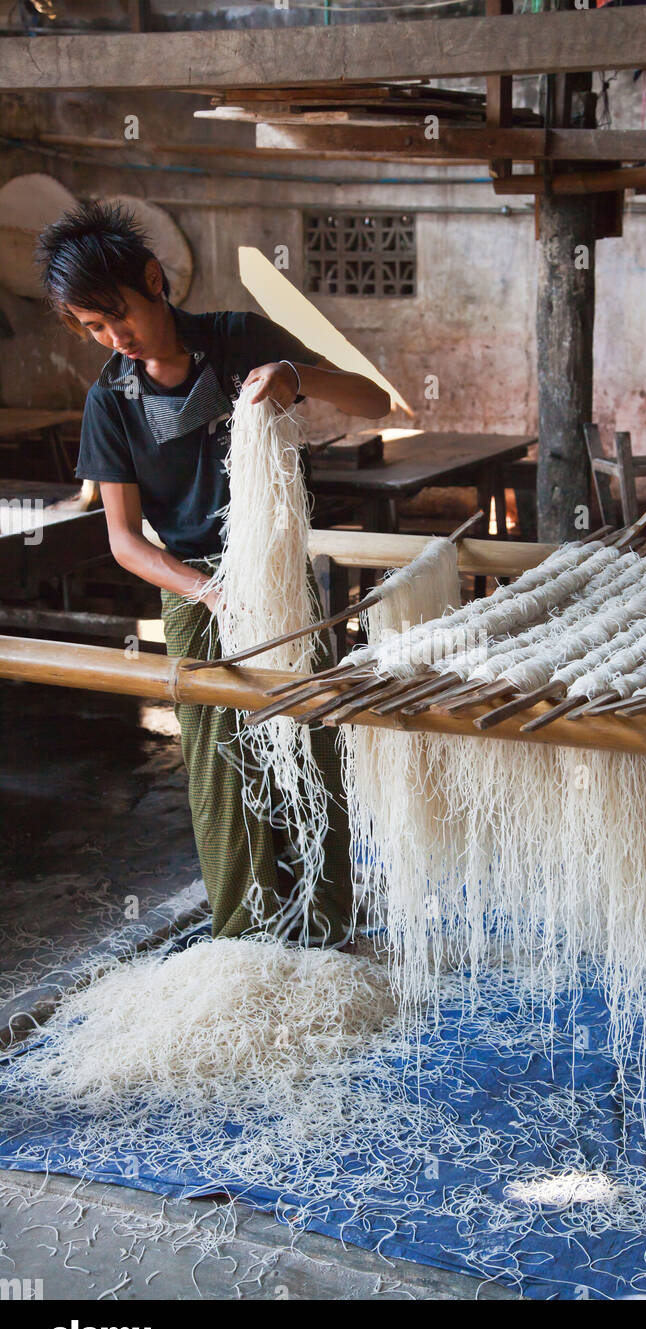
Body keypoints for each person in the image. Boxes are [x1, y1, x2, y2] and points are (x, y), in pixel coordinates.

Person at [36, 199, 390, 944]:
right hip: (198, 595)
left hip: (281, 582)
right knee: (224, 778)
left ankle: (330, 934)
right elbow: (126, 542)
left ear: (154, 280)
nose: (114, 339)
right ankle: (247, 945)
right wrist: (211, 592)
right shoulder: (112, 402)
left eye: (117, 316)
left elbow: (374, 399)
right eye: (93, 329)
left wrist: (296, 375)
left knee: (312, 752)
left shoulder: (237, 342)